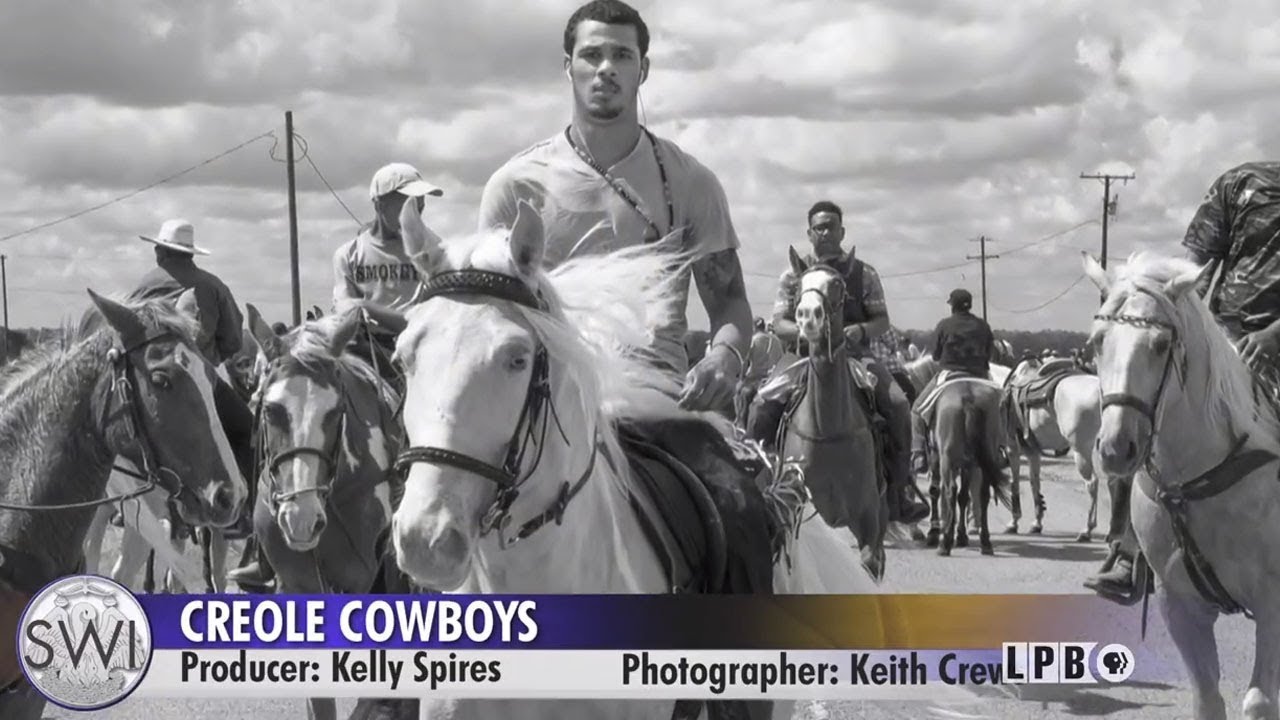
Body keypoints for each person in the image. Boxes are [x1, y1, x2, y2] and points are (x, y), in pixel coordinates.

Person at [478, 1, 782, 605]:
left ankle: (737, 664)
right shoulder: (514, 186)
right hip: (543, 412)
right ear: (568, 66)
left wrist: (724, 358)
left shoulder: (689, 181)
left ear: (643, 69)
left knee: (742, 513)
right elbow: (489, 316)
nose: (606, 68)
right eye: (591, 54)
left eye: (621, 55)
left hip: (659, 405)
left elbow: (729, 304)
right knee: (432, 518)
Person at [1085, 160, 1280, 604]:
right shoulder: (1238, 183)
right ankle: (1130, 551)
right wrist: (1156, 300)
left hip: (1275, 340)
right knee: (1143, 415)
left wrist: (1274, 335)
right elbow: (1193, 263)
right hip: (1223, 335)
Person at [754, 200, 931, 526]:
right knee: (760, 403)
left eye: (830, 226)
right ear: (809, 233)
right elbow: (779, 322)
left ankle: (900, 489)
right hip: (802, 356)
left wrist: (861, 329)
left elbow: (881, 319)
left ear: (842, 231)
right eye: (818, 227)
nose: (825, 232)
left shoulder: (864, 273)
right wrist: (806, 332)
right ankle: (753, 484)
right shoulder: (792, 275)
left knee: (898, 404)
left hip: (855, 356)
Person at [128, 220, 254, 522]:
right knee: (248, 431)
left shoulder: (142, 287)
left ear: (160, 252)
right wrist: (206, 362)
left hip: (151, 386)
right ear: (190, 254)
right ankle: (243, 514)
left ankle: (127, 504)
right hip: (201, 383)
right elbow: (233, 340)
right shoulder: (212, 286)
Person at [334, 162, 444, 390]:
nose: (416, 213)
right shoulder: (348, 254)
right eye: (407, 204)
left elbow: (429, 322)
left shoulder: (434, 251)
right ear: (379, 203)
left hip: (421, 352)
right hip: (369, 354)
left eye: (420, 205)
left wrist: (366, 306)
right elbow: (346, 313)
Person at [908, 289, 996, 473]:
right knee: (1001, 408)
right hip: (980, 377)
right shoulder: (983, 325)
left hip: (950, 374)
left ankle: (918, 452)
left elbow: (936, 355)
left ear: (952, 306)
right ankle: (1001, 449)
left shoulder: (944, 325)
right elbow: (990, 353)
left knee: (916, 409)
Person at [735, 317, 784, 429]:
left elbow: (744, 363)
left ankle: (741, 425)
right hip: (773, 380)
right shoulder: (776, 340)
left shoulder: (752, 341)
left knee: (741, 393)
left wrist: (741, 378)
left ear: (753, 328)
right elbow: (781, 359)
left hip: (755, 380)